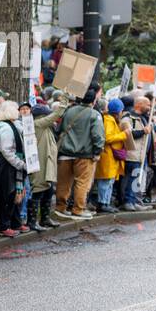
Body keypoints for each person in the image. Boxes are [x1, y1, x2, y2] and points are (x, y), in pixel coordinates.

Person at [54, 89, 104, 219]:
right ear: (94, 100)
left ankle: (60, 207)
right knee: (82, 182)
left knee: (63, 182)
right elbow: (98, 136)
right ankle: (78, 209)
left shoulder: (69, 111)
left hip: (65, 152)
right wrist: (97, 152)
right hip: (85, 155)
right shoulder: (94, 114)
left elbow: (59, 130)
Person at [0, 100, 27, 236]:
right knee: (8, 195)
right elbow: (7, 151)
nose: (18, 112)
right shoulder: (5, 128)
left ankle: (15, 223)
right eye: (16, 109)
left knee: (16, 194)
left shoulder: (11, 125)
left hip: (11, 166)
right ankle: (3, 226)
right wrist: (21, 164)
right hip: (7, 167)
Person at [29, 98, 65, 229]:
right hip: (40, 164)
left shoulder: (47, 128)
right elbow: (56, 115)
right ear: (42, 117)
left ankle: (45, 218)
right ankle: (32, 222)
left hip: (47, 164)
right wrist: (64, 98)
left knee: (48, 191)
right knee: (38, 191)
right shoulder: (38, 124)